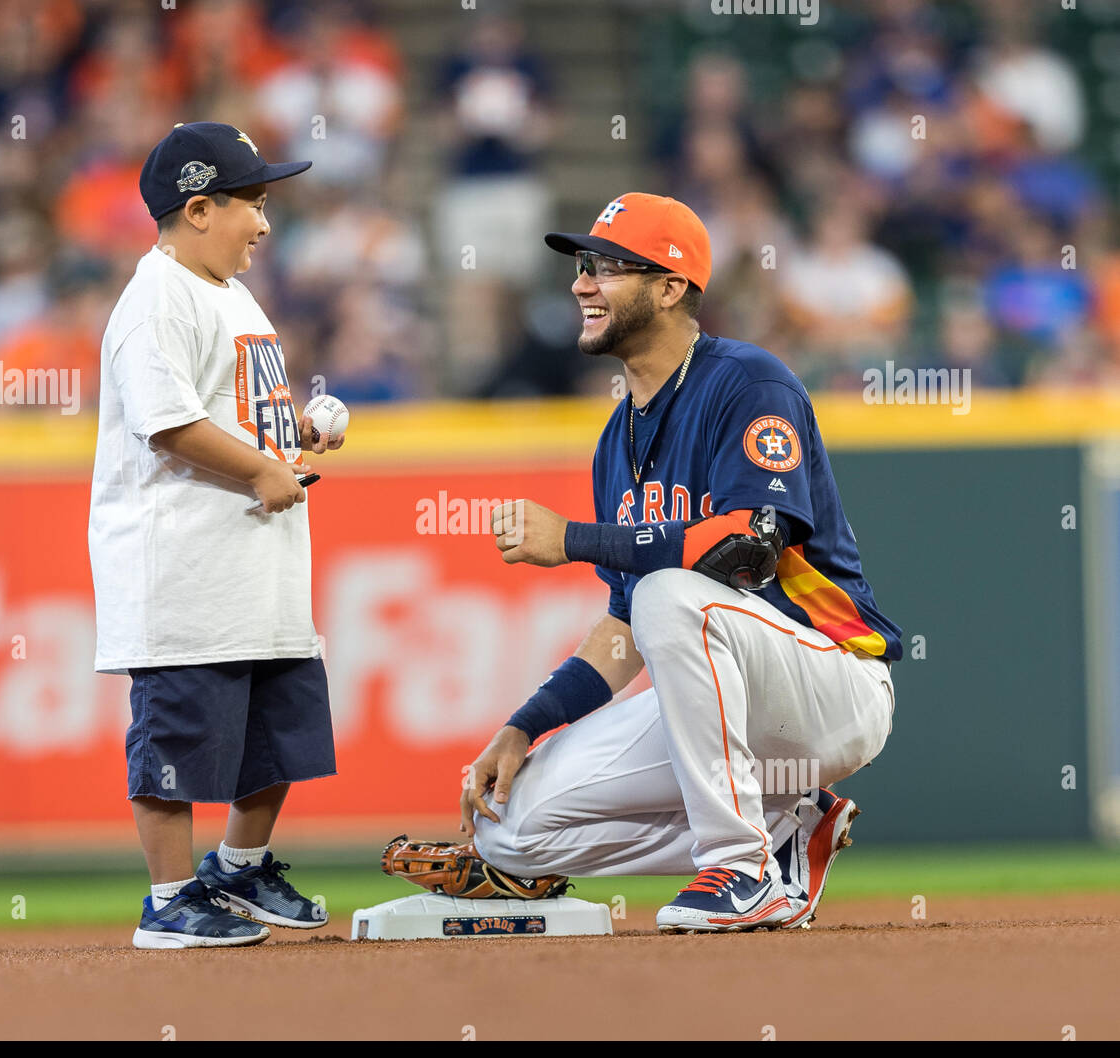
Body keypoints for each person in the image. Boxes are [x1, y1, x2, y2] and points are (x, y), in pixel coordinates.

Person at [383, 193, 900, 933]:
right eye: (584, 266)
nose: (582, 283)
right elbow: (625, 628)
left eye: (609, 268)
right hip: (724, 701)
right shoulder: (615, 440)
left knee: (669, 590)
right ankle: (788, 830)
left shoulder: (749, 383)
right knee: (510, 828)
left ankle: (740, 865)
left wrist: (574, 538)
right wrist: (522, 728)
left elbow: (748, 545)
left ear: (671, 287)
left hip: (831, 677)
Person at [89, 122, 343, 948]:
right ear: (199, 208)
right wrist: (264, 471)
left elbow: (231, 408)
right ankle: (168, 900)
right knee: (179, 737)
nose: (265, 223)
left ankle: (238, 866)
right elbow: (168, 425)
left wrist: (293, 429)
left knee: (279, 727)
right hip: (184, 567)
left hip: (255, 563)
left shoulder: (229, 289)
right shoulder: (156, 297)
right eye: (254, 203)